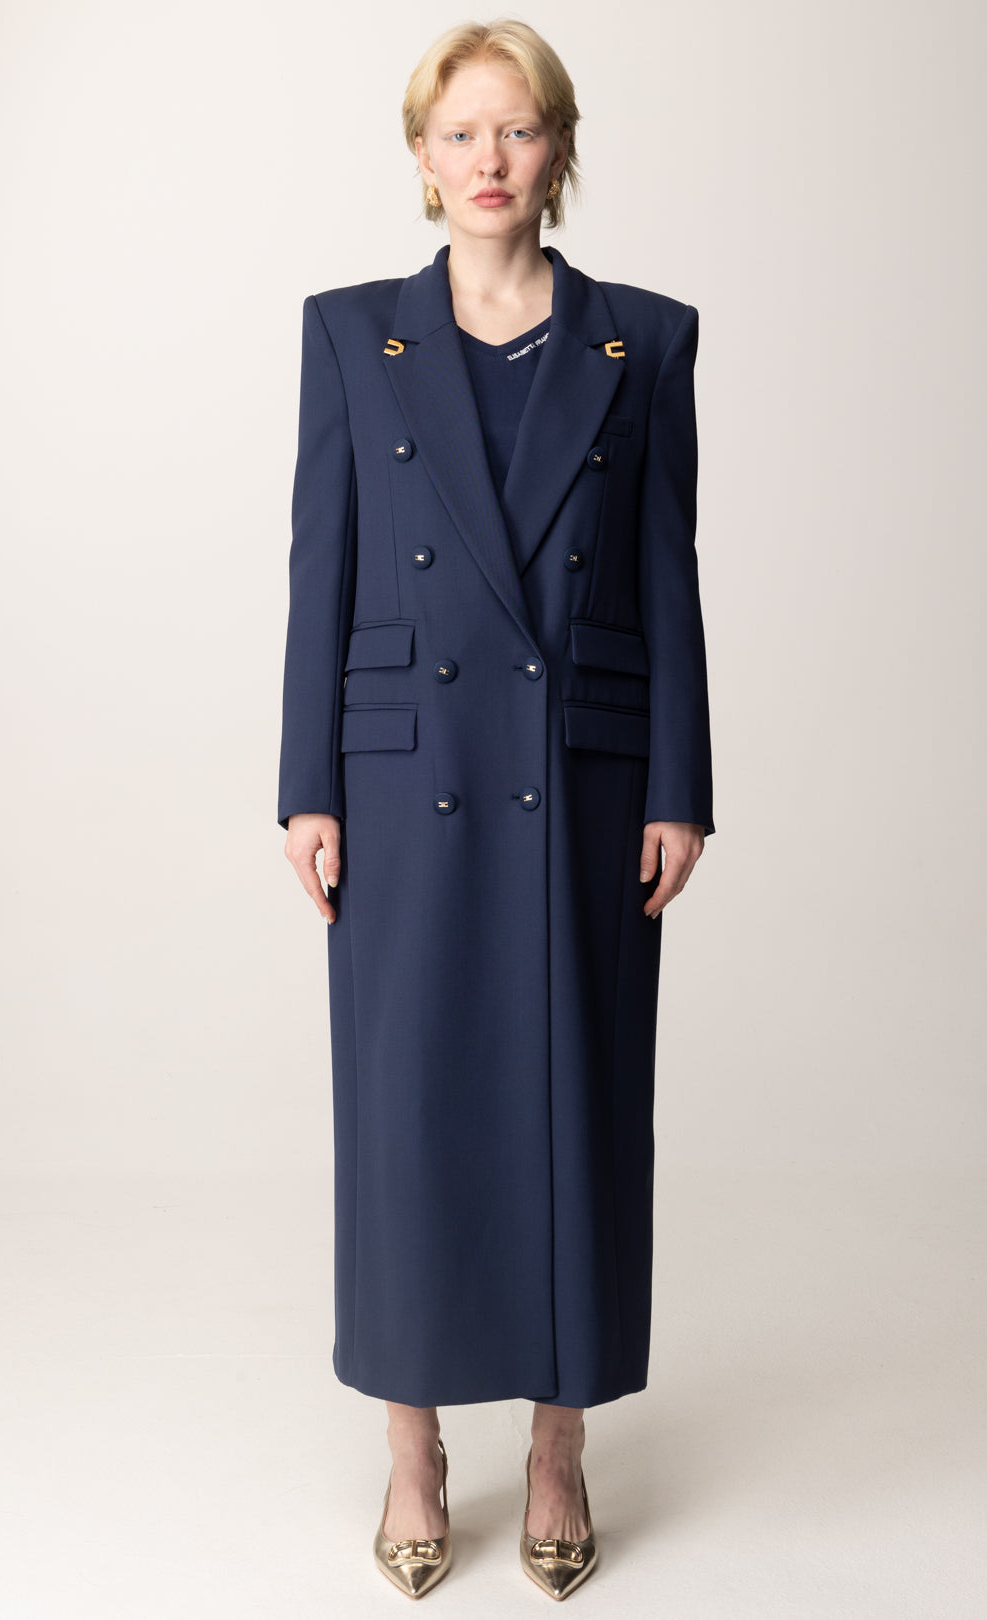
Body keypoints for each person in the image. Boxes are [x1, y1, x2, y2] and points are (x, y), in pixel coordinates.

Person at [277, 18, 714, 1601]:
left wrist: (680, 784)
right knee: (405, 1115)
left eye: (516, 130)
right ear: (420, 157)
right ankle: (412, 1449)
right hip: (402, 782)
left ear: (558, 151)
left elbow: (665, 569)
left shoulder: (642, 340)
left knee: (575, 1106)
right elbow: (321, 566)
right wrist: (306, 786)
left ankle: (556, 1445)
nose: (487, 159)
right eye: (458, 132)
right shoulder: (352, 335)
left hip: (580, 778)